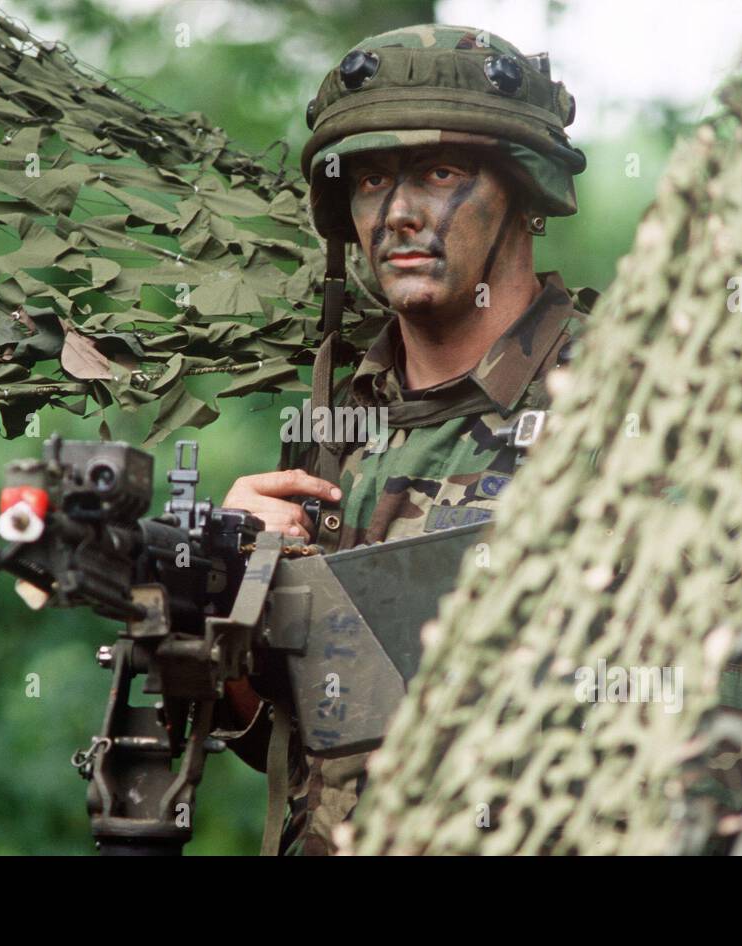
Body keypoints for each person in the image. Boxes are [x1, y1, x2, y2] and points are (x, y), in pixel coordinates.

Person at [216, 23, 589, 855]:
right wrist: (226, 590)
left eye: (441, 172)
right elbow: (308, 743)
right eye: (373, 179)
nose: (398, 213)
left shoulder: (626, 406)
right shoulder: (334, 429)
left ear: (524, 189)